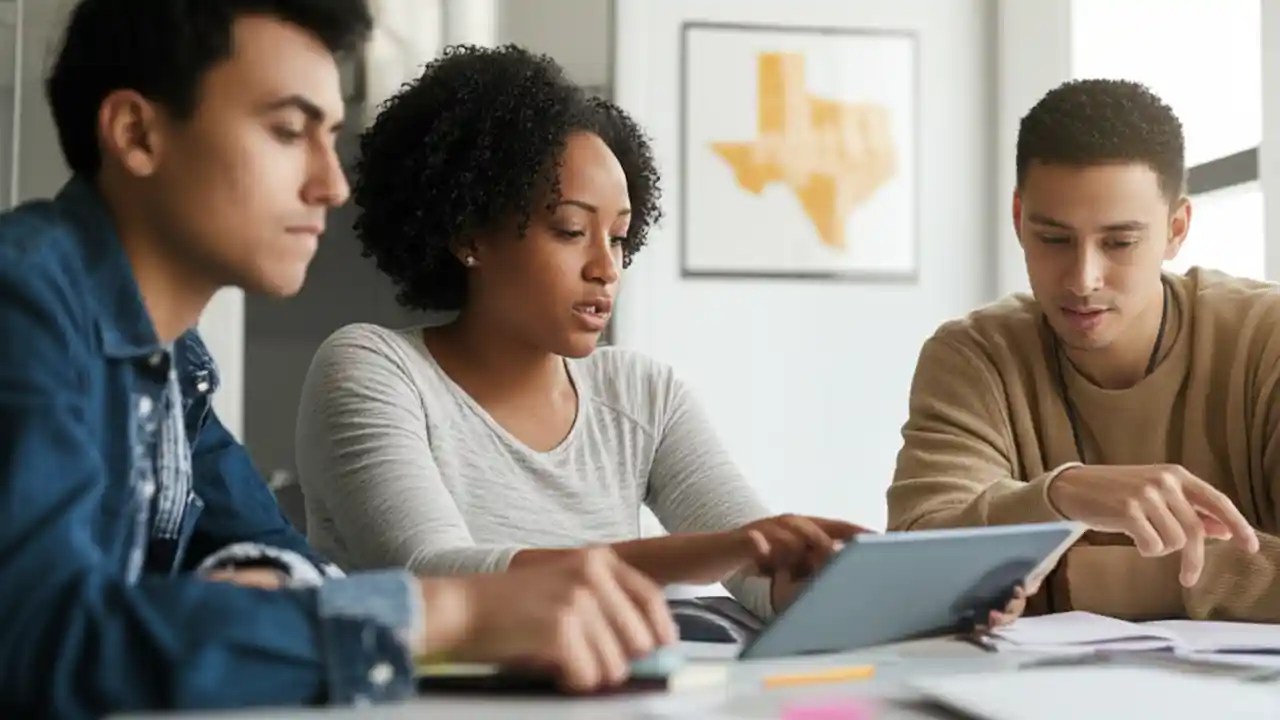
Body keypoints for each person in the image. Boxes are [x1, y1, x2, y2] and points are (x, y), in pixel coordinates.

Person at [0, 2, 677, 716]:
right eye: (288, 132)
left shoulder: (172, 363)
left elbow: (289, 565)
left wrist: (231, 605)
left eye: (328, 135)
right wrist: (448, 616)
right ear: (138, 133)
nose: (331, 184)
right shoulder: (24, 307)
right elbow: (43, 644)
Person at [294, 44, 1033, 628]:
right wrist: (725, 549)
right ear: (468, 234)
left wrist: (916, 599)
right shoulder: (371, 369)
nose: (604, 268)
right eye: (570, 231)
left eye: (619, 238)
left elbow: (761, 576)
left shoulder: (640, 391)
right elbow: (434, 573)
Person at [888, 78, 1275, 621]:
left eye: (1119, 243)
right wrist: (1060, 496)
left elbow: (962, 574)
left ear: (1176, 229)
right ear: (1019, 218)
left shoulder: (1268, 339)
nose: (1083, 278)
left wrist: (1071, 577)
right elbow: (909, 567)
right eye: (1054, 238)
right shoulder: (973, 355)